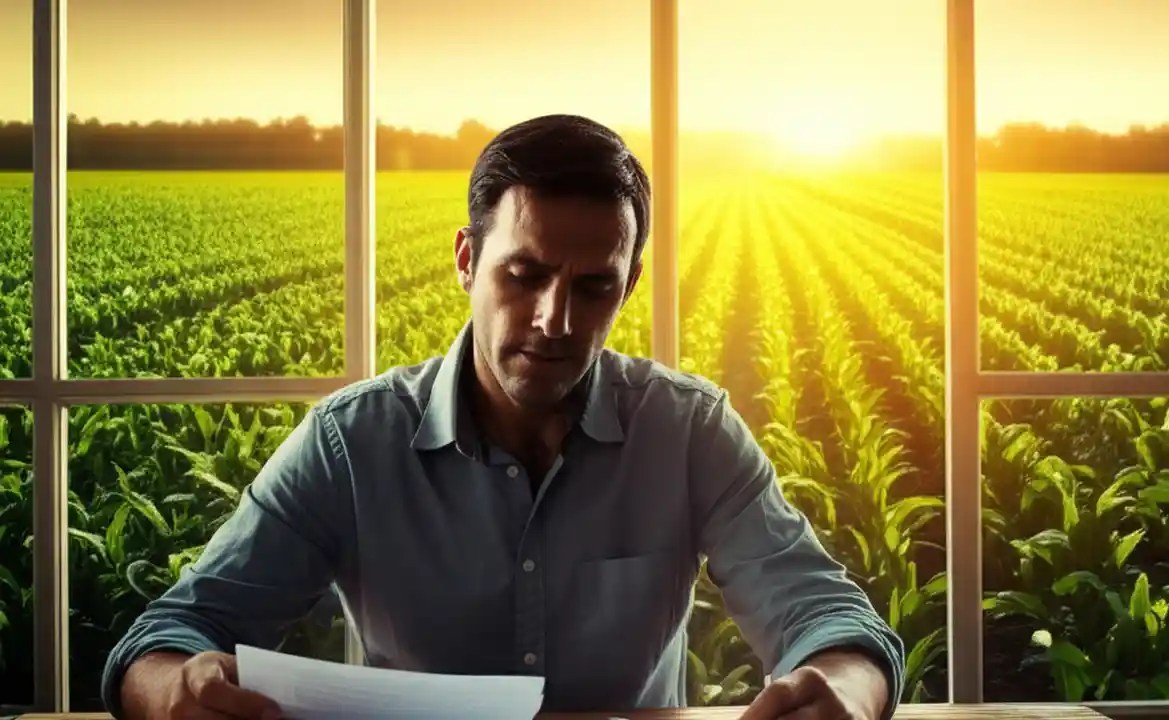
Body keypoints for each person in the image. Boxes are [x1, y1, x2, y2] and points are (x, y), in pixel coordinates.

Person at [101, 113, 905, 720]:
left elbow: (823, 613)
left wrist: (842, 688)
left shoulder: (688, 431)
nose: (555, 319)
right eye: (524, 274)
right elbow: (172, 631)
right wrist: (175, 686)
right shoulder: (352, 443)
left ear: (626, 290)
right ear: (465, 261)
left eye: (594, 287)